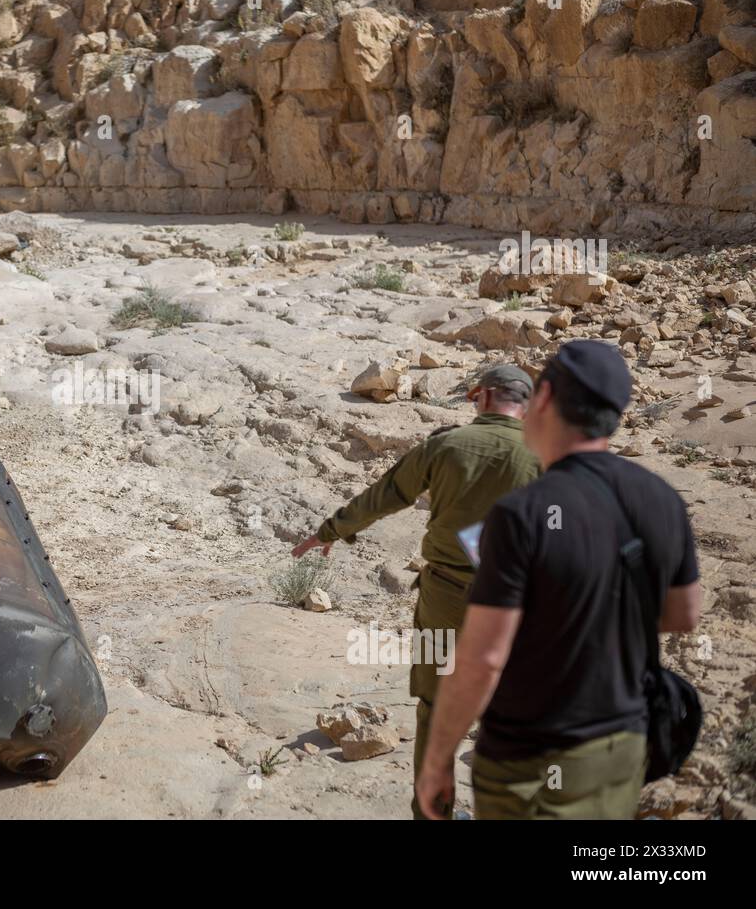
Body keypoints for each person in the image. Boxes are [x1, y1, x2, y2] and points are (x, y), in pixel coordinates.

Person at [415, 340, 703, 820]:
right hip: (615, 746)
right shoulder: (662, 499)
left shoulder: (520, 515)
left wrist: (437, 761)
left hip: (525, 750)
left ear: (543, 399)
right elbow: (683, 615)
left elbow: (483, 659)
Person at [293, 364, 541, 818]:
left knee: (437, 709)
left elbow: (384, 495)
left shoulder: (445, 446)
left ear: (482, 398)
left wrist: (329, 532)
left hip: (445, 596)